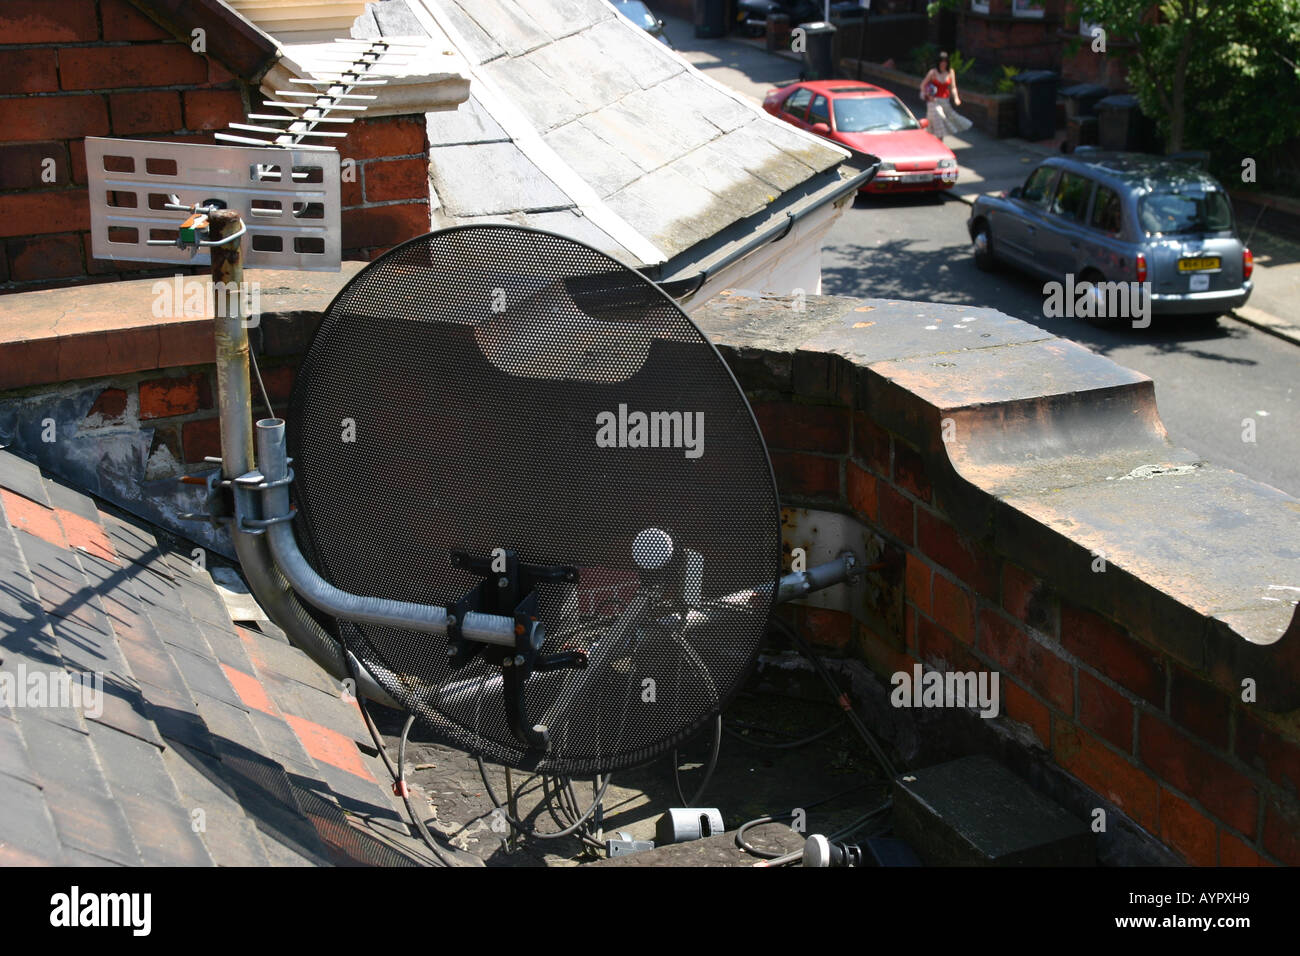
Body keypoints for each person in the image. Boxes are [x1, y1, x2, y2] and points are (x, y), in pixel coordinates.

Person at [920, 52, 974, 142]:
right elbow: (923, 85)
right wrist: (928, 95)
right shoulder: (932, 72)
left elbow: (953, 87)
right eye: (941, 61)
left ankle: (938, 142)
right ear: (938, 62)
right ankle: (939, 143)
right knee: (939, 117)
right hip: (933, 101)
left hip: (945, 100)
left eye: (945, 61)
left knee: (942, 122)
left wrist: (956, 98)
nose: (943, 63)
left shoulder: (950, 72)